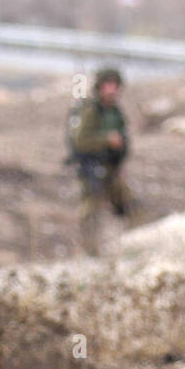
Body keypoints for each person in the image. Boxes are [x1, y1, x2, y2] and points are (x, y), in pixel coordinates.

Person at [68, 67, 133, 256]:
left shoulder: (115, 112)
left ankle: (128, 245)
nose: (112, 89)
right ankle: (89, 251)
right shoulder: (90, 110)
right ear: (100, 86)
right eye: (108, 85)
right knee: (90, 209)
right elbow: (80, 141)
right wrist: (106, 140)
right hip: (92, 167)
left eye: (115, 85)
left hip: (112, 167)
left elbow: (123, 139)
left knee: (126, 205)